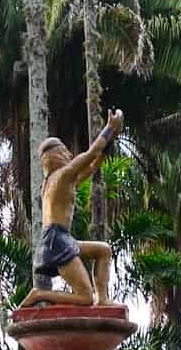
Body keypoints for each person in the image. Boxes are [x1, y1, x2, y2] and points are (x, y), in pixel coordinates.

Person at [19, 109, 125, 310]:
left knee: (103, 251)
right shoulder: (64, 174)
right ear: (56, 155)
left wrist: (109, 144)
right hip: (57, 239)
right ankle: (40, 294)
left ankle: (102, 299)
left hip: (59, 237)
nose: (69, 154)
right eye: (66, 151)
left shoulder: (54, 182)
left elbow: (93, 166)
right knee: (85, 297)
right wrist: (110, 128)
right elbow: (90, 154)